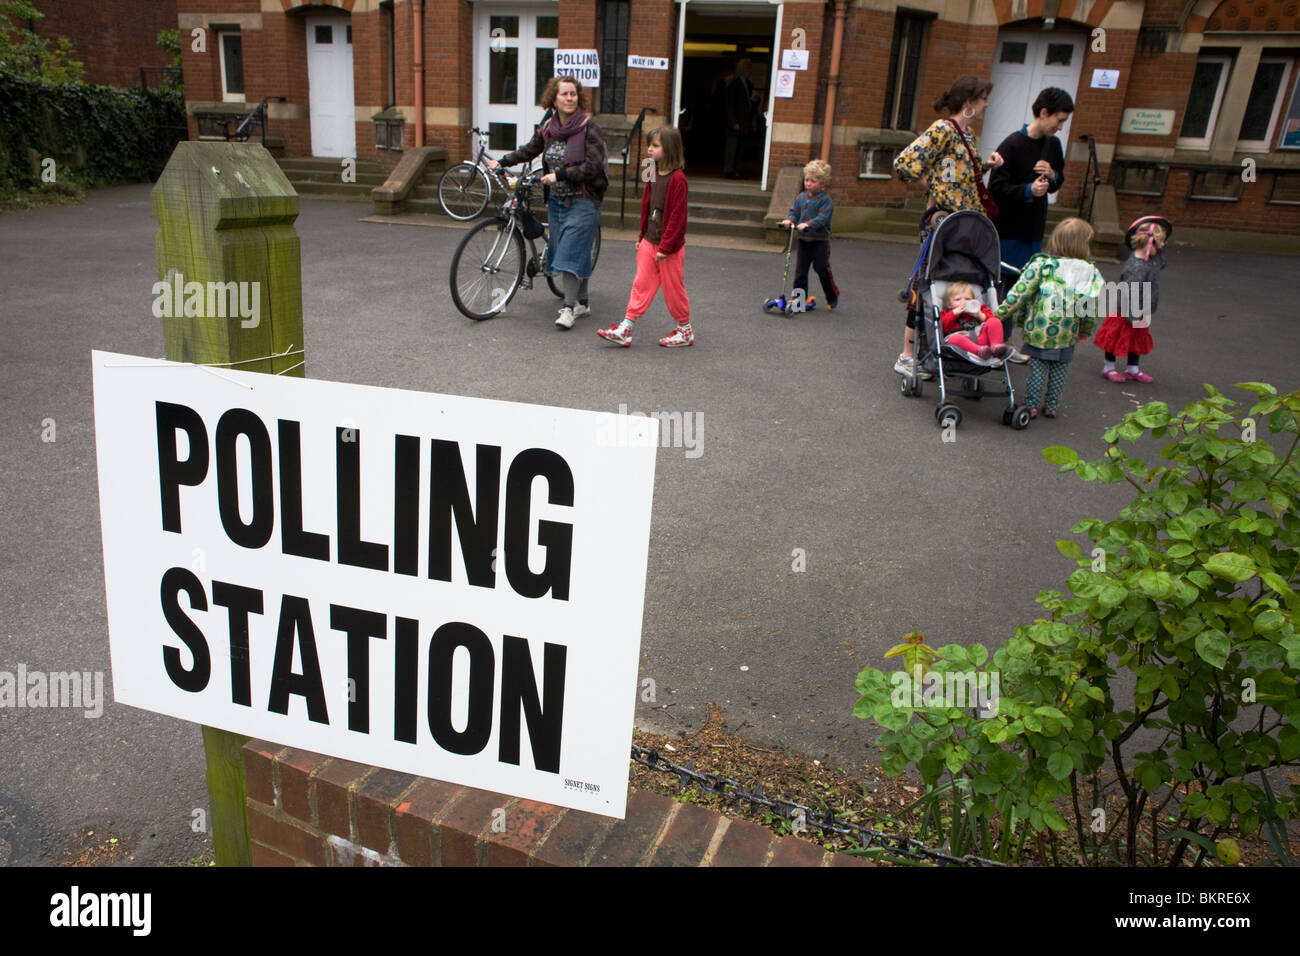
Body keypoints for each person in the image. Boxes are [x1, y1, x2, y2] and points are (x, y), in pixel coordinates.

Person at [893, 75, 1004, 378]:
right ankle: (907, 354)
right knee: (925, 285)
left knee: (958, 286)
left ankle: (940, 352)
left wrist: (986, 167)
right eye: (983, 99)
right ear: (969, 103)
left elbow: (958, 174)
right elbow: (905, 163)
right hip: (944, 224)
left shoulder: (967, 137)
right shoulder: (943, 129)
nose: (986, 105)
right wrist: (931, 188)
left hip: (966, 226)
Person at [486, 75, 608, 330]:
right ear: (553, 98)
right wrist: (503, 161)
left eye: (573, 94)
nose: (569, 98)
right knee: (575, 252)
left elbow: (593, 167)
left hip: (584, 201)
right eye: (564, 94)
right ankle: (583, 303)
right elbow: (529, 150)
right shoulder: (549, 128)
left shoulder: (588, 128)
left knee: (569, 254)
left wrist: (560, 174)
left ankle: (568, 308)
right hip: (557, 202)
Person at [989, 87, 1073, 360]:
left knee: (1023, 291)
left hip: (1033, 231)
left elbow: (1058, 180)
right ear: (1044, 113)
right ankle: (995, 341)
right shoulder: (1012, 144)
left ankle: (1007, 342)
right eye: (1058, 121)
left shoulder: (1053, 146)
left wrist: (1052, 175)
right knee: (1002, 289)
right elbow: (997, 188)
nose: (1060, 128)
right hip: (1007, 231)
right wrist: (1028, 191)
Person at [995, 217, 1104, 419]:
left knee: (1038, 366)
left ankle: (1032, 404)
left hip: (1040, 329)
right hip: (1068, 332)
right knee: (1059, 368)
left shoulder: (1043, 266)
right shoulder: (1089, 272)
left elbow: (1019, 294)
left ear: (1056, 241)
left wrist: (997, 315)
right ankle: (1052, 406)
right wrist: (1085, 329)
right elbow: (1090, 305)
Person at [597, 126, 694, 348]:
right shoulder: (650, 169)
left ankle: (685, 329)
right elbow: (646, 205)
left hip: (669, 248)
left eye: (655, 145)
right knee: (640, 284)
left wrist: (666, 247)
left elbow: (678, 217)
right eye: (649, 144)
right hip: (650, 241)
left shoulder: (678, 179)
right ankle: (626, 328)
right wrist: (642, 236)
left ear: (669, 148)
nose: (649, 149)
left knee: (673, 290)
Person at [1094, 215, 1170, 383]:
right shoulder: (1136, 267)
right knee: (1116, 338)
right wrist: (1131, 314)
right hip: (1126, 310)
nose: (1163, 245)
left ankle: (1132, 369)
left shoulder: (1152, 259)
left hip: (1141, 309)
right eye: (1161, 242)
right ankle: (1108, 367)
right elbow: (1130, 291)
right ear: (1150, 243)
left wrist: (1160, 243)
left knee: (1137, 338)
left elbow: (1163, 261)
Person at [778, 159, 838, 312]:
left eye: (813, 181)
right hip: (804, 241)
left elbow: (822, 218)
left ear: (822, 183)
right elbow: (794, 212)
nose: (808, 183)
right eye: (807, 180)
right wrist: (789, 220)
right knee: (800, 271)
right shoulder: (801, 197)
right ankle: (799, 300)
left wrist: (808, 224)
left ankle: (832, 295)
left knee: (821, 268)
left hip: (820, 242)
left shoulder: (826, 201)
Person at [940, 282, 1010, 360]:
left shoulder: (979, 309)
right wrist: (954, 313)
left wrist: (980, 315)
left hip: (980, 338)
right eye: (958, 299)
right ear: (949, 304)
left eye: (968, 299)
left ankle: (995, 347)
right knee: (955, 339)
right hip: (961, 342)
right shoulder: (946, 314)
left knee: (995, 321)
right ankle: (979, 351)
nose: (963, 302)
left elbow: (991, 319)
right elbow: (942, 326)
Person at [723, 58, 759, 179]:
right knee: (732, 147)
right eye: (748, 69)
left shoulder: (749, 85)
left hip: (745, 122)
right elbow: (729, 105)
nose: (750, 72)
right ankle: (728, 170)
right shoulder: (734, 85)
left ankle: (736, 169)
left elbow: (753, 103)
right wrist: (733, 122)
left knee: (740, 148)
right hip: (736, 122)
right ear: (743, 70)